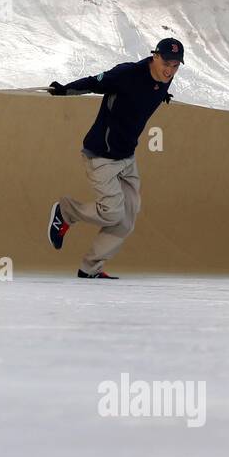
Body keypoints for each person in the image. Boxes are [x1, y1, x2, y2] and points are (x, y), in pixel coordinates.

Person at [45, 38, 183, 278]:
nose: (169, 70)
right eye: (166, 63)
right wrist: (65, 89)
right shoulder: (127, 73)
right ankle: (66, 211)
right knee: (112, 212)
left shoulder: (163, 81)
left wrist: (163, 96)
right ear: (155, 57)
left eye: (175, 66)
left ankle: (90, 269)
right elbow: (93, 82)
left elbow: (147, 94)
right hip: (101, 155)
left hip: (127, 157)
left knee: (127, 217)